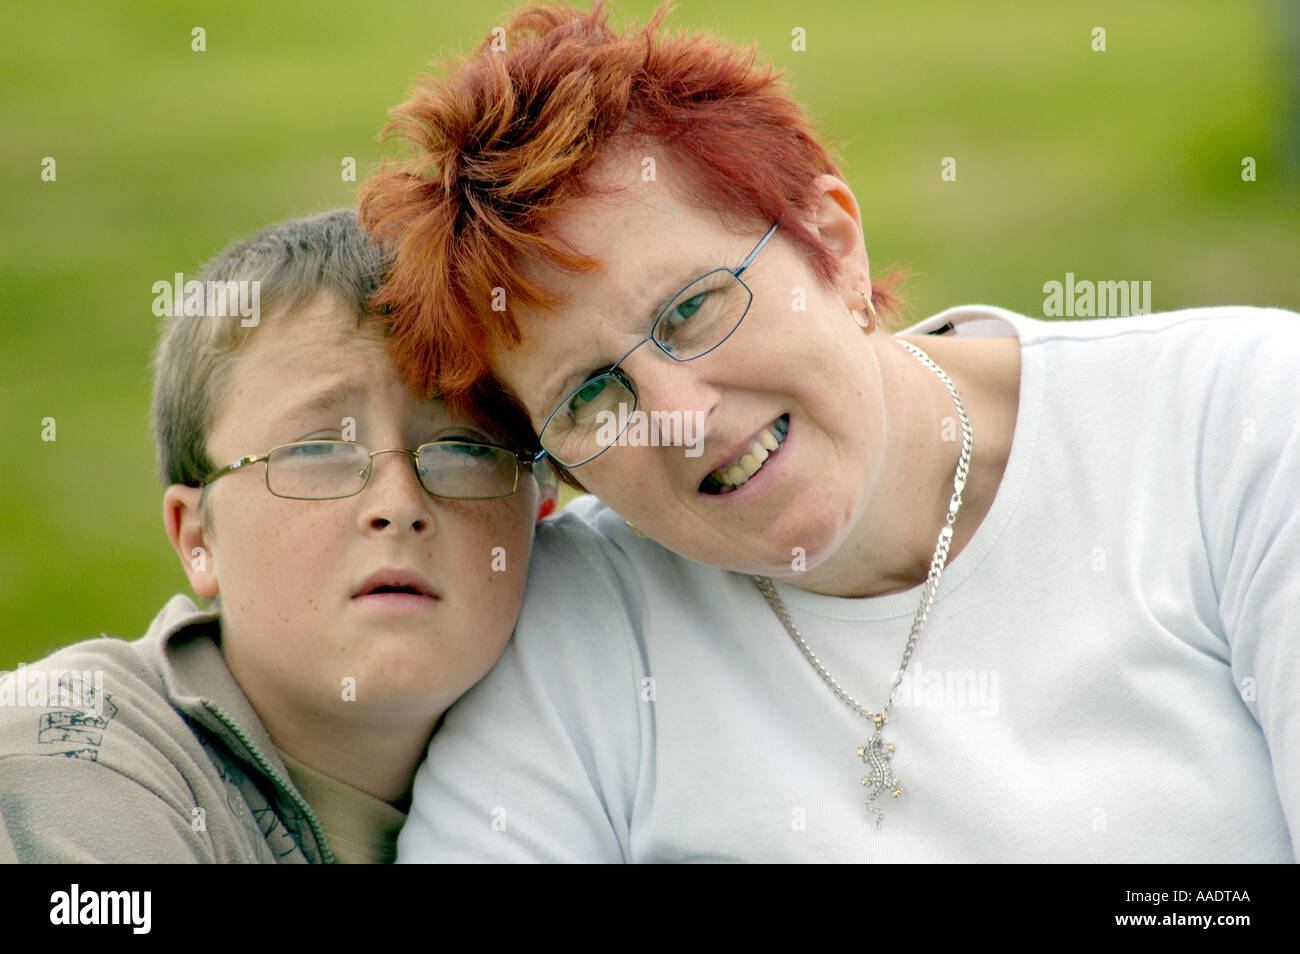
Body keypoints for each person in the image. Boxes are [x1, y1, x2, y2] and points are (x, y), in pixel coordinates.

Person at [361, 4, 1299, 861]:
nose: (680, 414)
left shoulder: (1236, 420)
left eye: (692, 308)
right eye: (591, 396)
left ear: (833, 241)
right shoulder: (573, 632)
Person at [0, 209, 555, 863]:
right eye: (318, 450)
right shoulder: (70, 757)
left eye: (464, 448)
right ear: (197, 537)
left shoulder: (610, 724)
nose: (399, 505)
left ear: (543, 508)